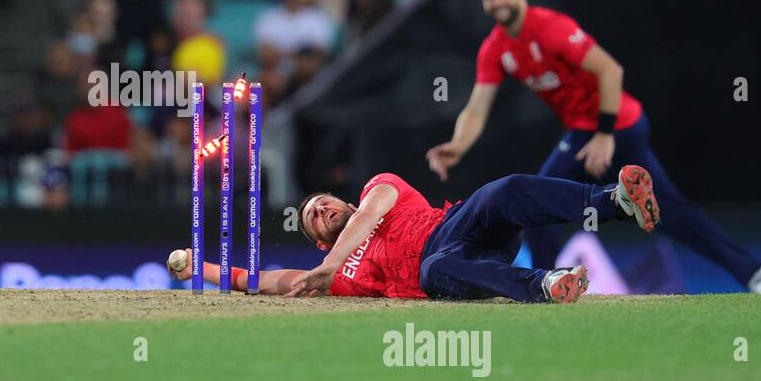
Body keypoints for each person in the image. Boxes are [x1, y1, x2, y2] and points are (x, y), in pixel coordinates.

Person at [425, 0, 761, 293]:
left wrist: (604, 133)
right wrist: (458, 144)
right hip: (587, 131)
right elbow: (476, 109)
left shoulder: (551, 27)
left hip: (617, 126)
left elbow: (609, 71)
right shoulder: (495, 48)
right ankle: (757, 274)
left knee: (534, 203)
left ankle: (543, 288)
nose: (495, 1)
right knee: (662, 211)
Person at [169, 165, 662, 304]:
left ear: (344, 200)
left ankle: (612, 202)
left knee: (503, 189)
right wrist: (203, 268)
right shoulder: (339, 274)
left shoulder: (381, 189)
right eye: (310, 218)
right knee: (434, 270)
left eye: (321, 202)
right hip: (446, 270)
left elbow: (368, 216)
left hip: (457, 227)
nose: (317, 208)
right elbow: (269, 280)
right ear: (319, 239)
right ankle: (546, 286)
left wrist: (330, 263)